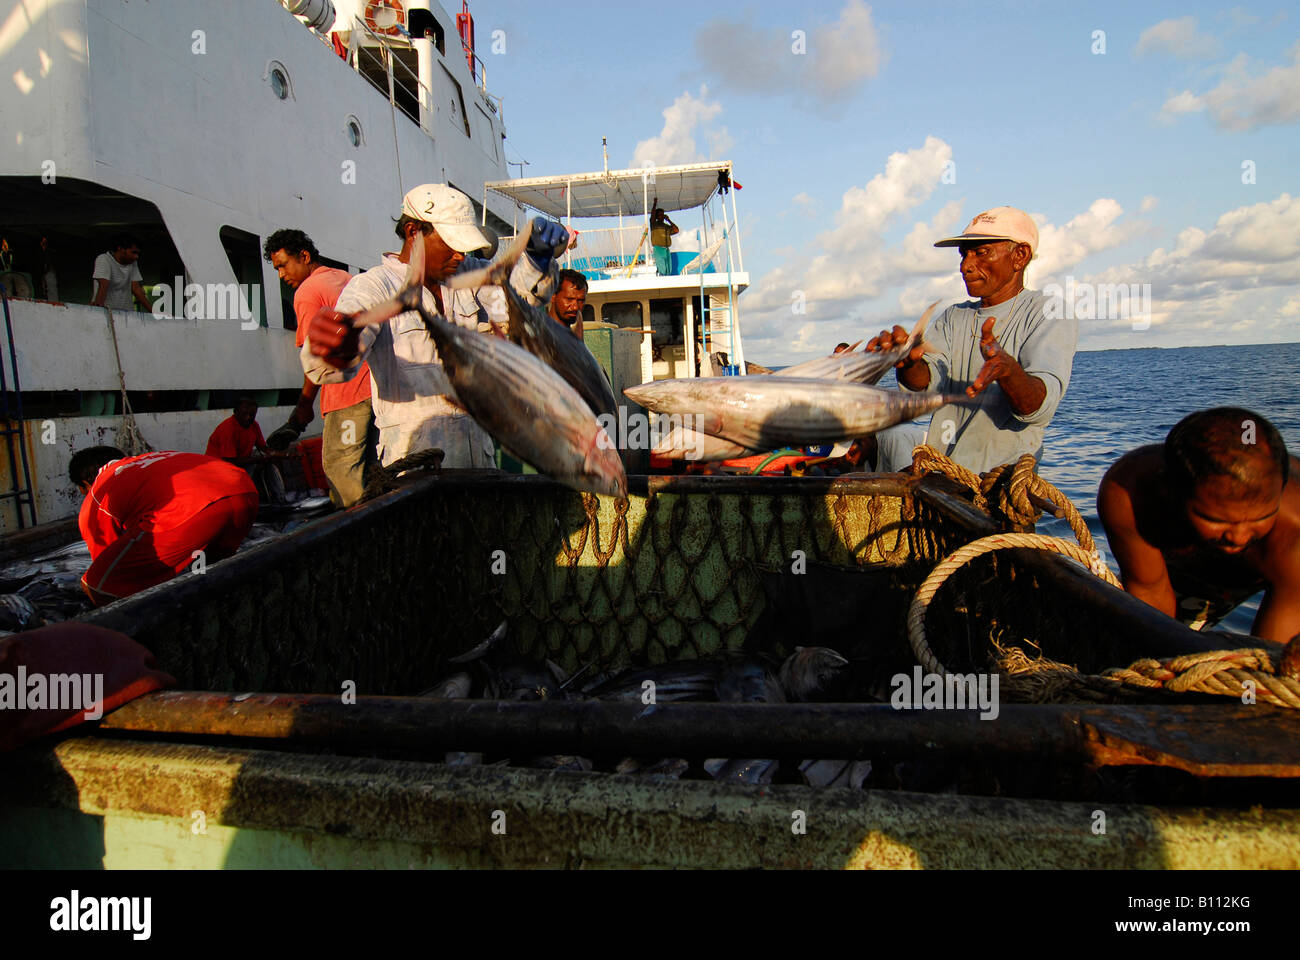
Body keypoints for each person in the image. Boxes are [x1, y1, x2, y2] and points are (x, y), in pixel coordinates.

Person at [302, 183, 568, 470]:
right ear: (413, 232)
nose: (460, 255)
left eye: (463, 247)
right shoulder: (372, 287)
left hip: (477, 454)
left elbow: (520, 297)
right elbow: (332, 365)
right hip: (414, 460)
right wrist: (333, 345)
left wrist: (537, 261)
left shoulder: (467, 273)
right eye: (452, 245)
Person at [864, 206, 1077, 475]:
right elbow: (926, 384)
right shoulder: (954, 316)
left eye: (981, 252)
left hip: (997, 486)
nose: (965, 266)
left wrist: (1007, 370)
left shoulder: (1048, 312)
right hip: (943, 480)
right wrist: (906, 363)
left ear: (1019, 256)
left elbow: (1036, 408)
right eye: (964, 254)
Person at [1098, 408, 1300, 644]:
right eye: (1216, 520)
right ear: (1170, 492)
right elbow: (1149, 590)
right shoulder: (1130, 495)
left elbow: (1275, 655)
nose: (1239, 537)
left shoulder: (1293, 533)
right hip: (1186, 572)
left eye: (1260, 518)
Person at [264, 228, 377, 507]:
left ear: (303, 256)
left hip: (347, 396)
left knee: (342, 471)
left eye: (283, 265)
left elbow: (319, 360)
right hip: (375, 390)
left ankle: (356, 540)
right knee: (373, 470)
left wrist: (303, 408)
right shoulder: (345, 278)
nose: (281, 274)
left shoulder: (307, 292)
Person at [70, 446, 259, 606]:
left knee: (96, 583)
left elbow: (108, 562)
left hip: (194, 510)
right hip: (245, 492)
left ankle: (138, 638)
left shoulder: (97, 492)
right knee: (210, 569)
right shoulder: (153, 459)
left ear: (84, 485)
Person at [91, 234, 153, 312]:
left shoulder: (133, 262)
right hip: (107, 312)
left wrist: (154, 313)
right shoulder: (104, 259)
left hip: (127, 313)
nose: (136, 256)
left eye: (137, 254)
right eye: (133, 252)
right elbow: (103, 285)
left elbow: (136, 289)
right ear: (120, 248)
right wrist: (99, 311)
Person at [205, 396, 269, 463]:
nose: (248, 418)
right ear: (236, 412)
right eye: (244, 414)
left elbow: (263, 448)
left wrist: (275, 454)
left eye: (252, 414)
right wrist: (257, 459)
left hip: (241, 462)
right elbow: (229, 461)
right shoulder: (228, 428)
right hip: (219, 466)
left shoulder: (254, 425)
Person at [548, 269, 587, 339]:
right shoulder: (540, 335)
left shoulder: (574, 337)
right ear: (553, 296)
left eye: (581, 300)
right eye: (569, 299)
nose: (575, 307)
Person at [650, 201, 678, 276]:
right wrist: (654, 204)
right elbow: (652, 215)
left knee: (668, 269)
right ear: (656, 216)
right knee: (662, 269)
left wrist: (668, 220)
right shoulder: (653, 224)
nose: (661, 216)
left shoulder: (666, 226)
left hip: (666, 249)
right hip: (658, 249)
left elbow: (676, 230)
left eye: (662, 214)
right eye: (659, 215)